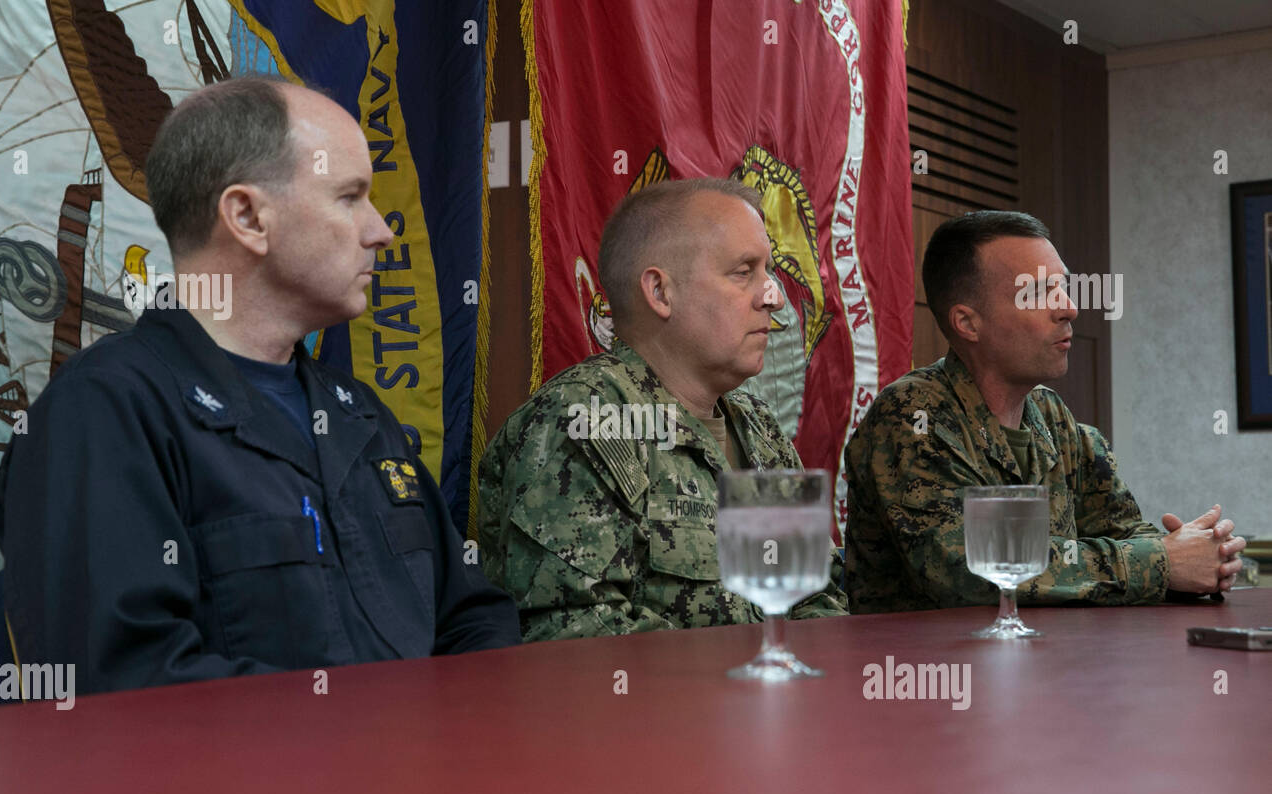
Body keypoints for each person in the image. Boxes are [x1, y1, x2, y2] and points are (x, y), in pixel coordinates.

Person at [0, 77, 519, 694]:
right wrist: (382, 741)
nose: (381, 231)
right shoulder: (102, 414)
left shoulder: (358, 415)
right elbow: (126, 686)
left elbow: (473, 619)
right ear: (246, 217)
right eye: (350, 197)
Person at [478, 178, 847, 641]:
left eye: (768, 271)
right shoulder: (584, 421)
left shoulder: (760, 428)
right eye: (743, 272)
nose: (772, 296)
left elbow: (818, 595)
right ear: (660, 292)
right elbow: (573, 633)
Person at [843, 210, 1245, 613]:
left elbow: (1124, 531)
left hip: (1049, 663)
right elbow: (971, 575)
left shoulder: (1052, 417)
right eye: (1038, 294)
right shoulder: (913, 417)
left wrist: (1200, 556)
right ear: (967, 322)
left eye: (1065, 289)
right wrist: (1162, 563)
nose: (1069, 308)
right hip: (931, 670)